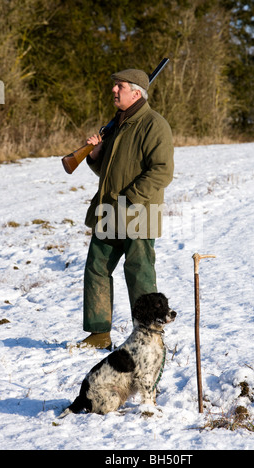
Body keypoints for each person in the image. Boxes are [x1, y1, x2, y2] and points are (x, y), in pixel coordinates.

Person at [78, 68, 174, 350]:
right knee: (96, 268)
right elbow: (109, 172)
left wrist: (130, 198)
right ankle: (98, 334)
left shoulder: (154, 125)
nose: (114, 90)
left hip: (138, 212)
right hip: (109, 211)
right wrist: (95, 156)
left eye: (119, 86)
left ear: (136, 92)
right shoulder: (118, 126)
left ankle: (147, 335)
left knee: (139, 273)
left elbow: (162, 171)